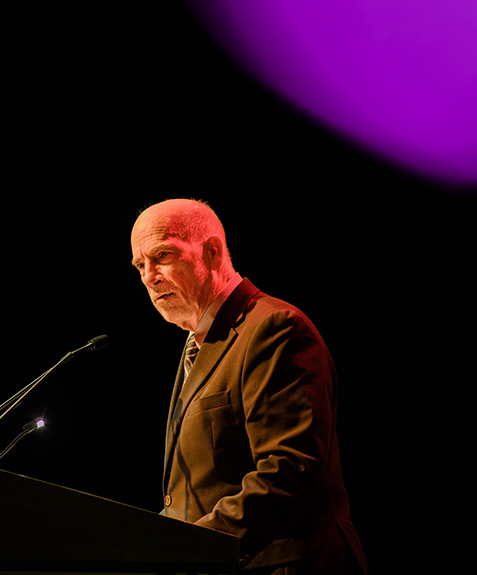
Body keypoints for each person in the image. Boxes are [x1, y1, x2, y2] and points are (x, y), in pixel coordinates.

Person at [130, 199, 367, 575]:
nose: (149, 276)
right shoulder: (198, 344)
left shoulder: (274, 328)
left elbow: (288, 472)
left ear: (212, 252)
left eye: (163, 255)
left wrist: (187, 547)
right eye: (140, 265)